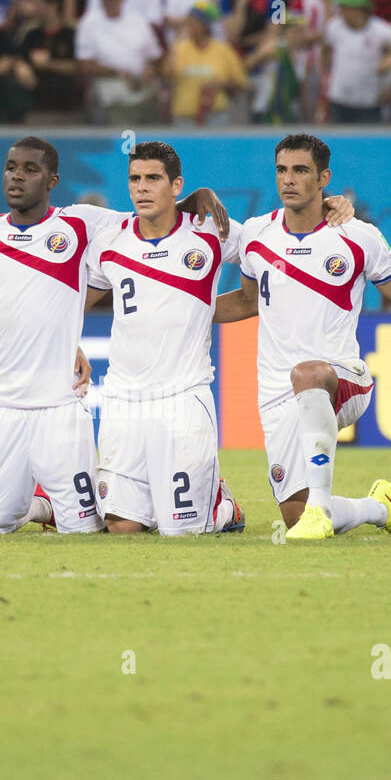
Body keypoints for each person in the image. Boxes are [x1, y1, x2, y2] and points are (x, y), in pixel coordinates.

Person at [0, 136, 228, 534]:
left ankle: (217, 505)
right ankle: (39, 507)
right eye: (11, 167)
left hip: (64, 406)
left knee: (97, 530)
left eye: (30, 169)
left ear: (53, 180)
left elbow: (152, 212)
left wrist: (197, 196)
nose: (17, 176)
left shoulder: (82, 222)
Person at [212, 133, 391, 540]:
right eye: (282, 170)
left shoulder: (357, 235)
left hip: (343, 378)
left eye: (300, 171)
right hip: (276, 391)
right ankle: (377, 508)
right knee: (296, 514)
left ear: (323, 178)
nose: (289, 180)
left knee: (309, 373)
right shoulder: (256, 236)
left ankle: (321, 507)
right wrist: (181, 311)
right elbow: (247, 302)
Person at [85, 141, 245, 536]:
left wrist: (333, 210)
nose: (142, 188)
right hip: (124, 398)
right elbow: (73, 303)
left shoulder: (212, 230)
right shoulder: (109, 238)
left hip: (184, 395)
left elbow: (276, 246)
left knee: (182, 531)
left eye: (153, 178)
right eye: (135, 179)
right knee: (124, 529)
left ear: (177, 185)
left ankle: (223, 506)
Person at [321, 0, 391, 123]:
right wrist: (327, 77)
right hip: (339, 100)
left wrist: (390, 87)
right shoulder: (333, 28)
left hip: (369, 101)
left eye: (346, 7)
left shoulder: (384, 32)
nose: (342, 11)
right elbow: (325, 52)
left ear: (360, 8)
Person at [166, 1, 248, 125]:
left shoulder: (223, 50)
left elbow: (241, 83)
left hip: (216, 117)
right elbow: (168, 76)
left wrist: (222, 84)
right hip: (185, 118)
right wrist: (174, 47)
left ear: (205, 25)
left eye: (194, 21)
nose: (189, 25)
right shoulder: (180, 48)